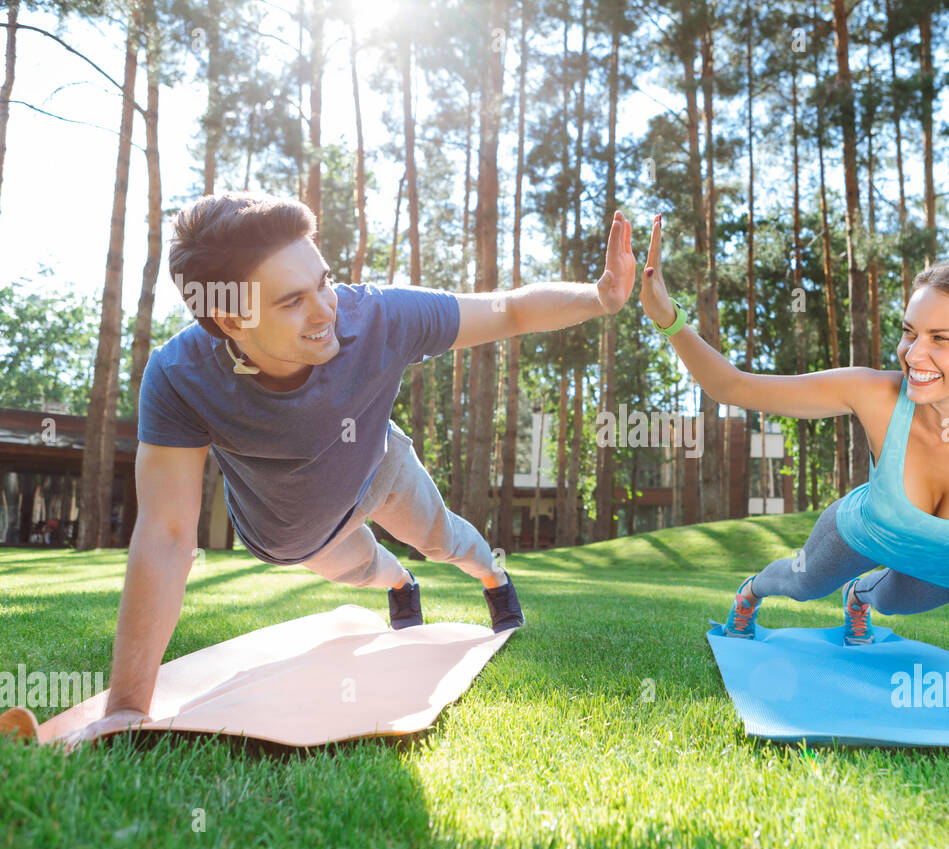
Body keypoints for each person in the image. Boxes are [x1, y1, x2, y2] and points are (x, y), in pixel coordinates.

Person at [60, 191, 638, 748]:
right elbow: (165, 534)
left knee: (443, 540)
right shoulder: (179, 377)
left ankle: (493, 577)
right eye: (293, 302)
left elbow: (507, 309)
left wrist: (601, 297)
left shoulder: (378, 315)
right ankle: (401, 585)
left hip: (380, 468)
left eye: (324, 281)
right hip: (294, 531)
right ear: (231, 321)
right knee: (367, 570)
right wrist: (129, 708)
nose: (326, 310)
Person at [638, 213, 949, 744]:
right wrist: (667, 317)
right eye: (910, 333)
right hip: (861, 533)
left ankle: (860, 600)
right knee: (803, 583)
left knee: (885, 601)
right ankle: (752, 590)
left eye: (941, 338)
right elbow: (732, 386)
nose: (914, 355)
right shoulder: (873, 393)